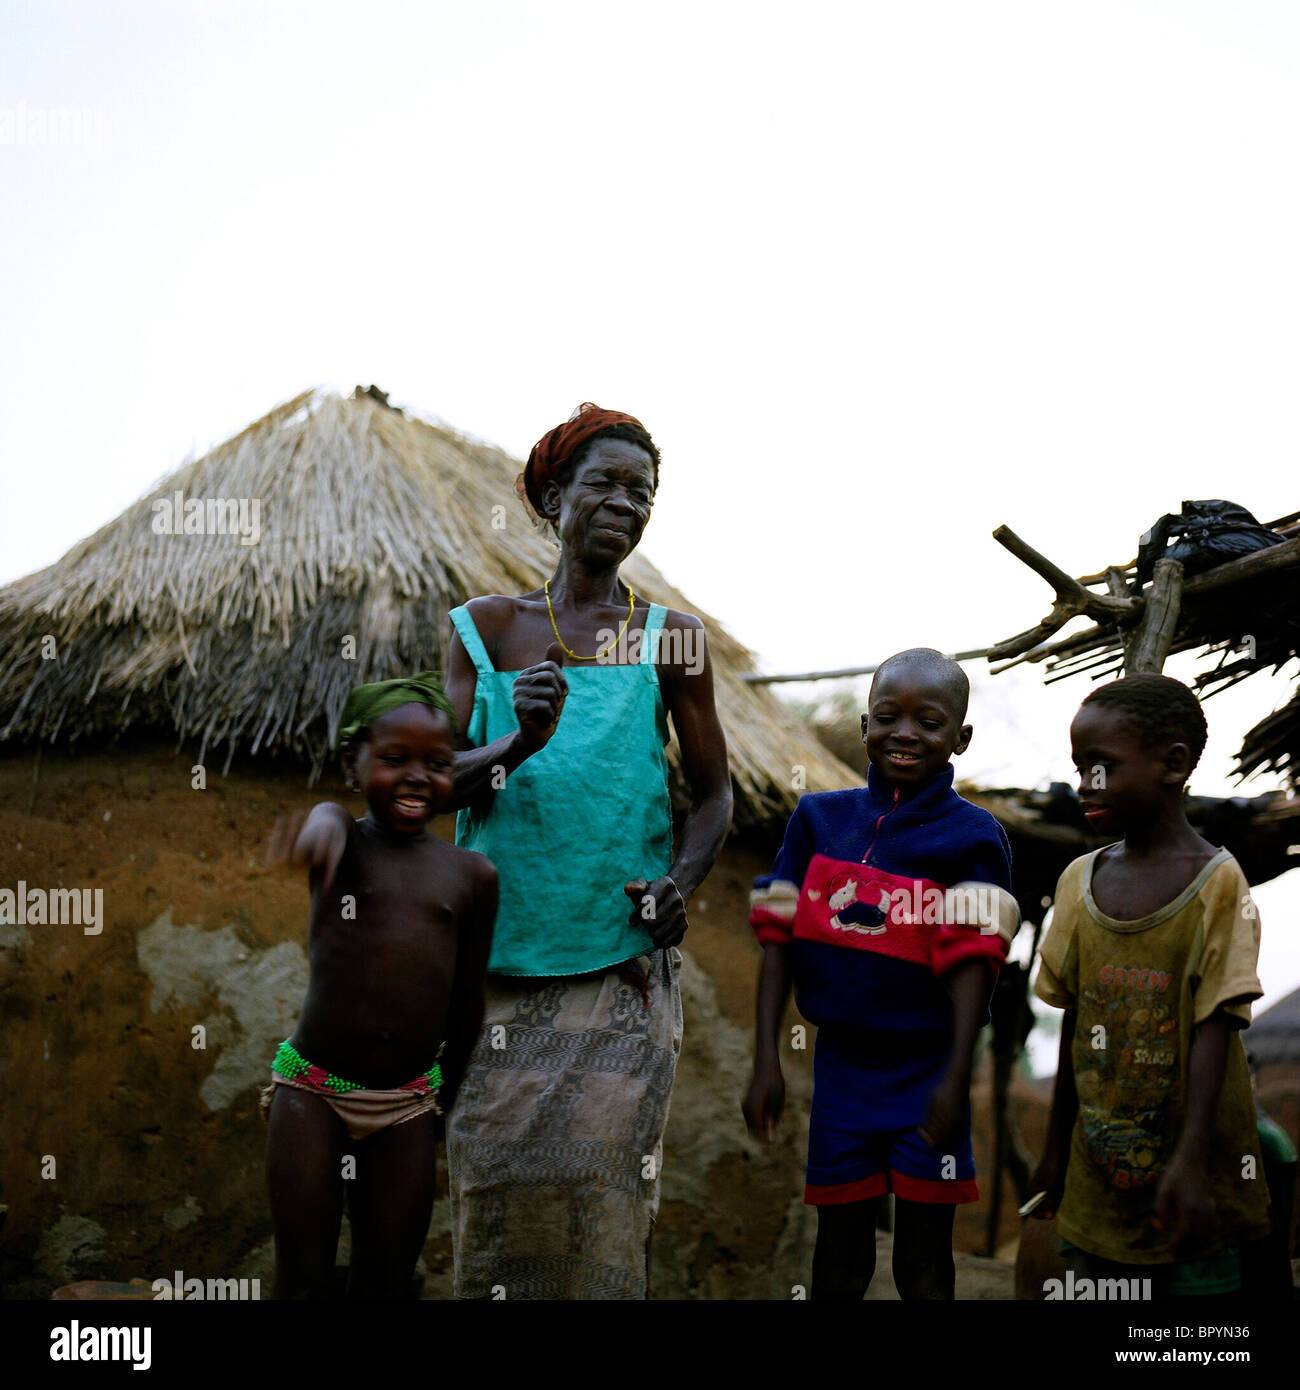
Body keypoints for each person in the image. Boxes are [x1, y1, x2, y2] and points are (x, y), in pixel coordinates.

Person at [442, 402, 732, 1300]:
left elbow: (716, 794)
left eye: (641, 493)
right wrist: (515, 745)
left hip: (618, 964)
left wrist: (678, 885)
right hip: (494, 959)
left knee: (602, 1202)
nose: (625, 503)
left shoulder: (671, 638)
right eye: (604, 483)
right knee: (490, 1195)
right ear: (554, 495)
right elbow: (428, 784)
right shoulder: (483, 630)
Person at [743, 648, 1018, 1299]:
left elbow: (975, 972)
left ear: (961, 737)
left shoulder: (975, 838)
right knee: (838, 1254)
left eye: (929, 721)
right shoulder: (817, 821)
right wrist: (766, 1062)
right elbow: (777, 940)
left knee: (923, 1260)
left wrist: (956, 1082)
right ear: (866, 724)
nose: (905, 733)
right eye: (889, 716)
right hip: (841, 1073)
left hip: (928, 1076)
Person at [1027, 674, 1272, 1298]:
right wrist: (1055, 1151)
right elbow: (1076, 1029)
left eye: (1103, 767)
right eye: (1080, 768)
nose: (1086, 786)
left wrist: (1190, 1162)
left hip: (1194, 1174)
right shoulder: (1078, 882)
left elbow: (1216, 1025)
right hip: (1097, 1173)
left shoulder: (1217, 884)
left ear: (1173, 764)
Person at [263, 673, 497, 1299]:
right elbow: (324, 826)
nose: (418, 776)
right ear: (352, 762)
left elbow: (467, 997)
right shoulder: (341, 835)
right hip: (311, 1092)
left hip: (407, 1104)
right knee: (304, 1278)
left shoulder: (471, 875)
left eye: (439, 763)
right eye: (395, 760)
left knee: (388, 1280)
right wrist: (310, 841)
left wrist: (448, 1091)